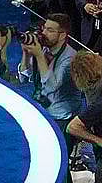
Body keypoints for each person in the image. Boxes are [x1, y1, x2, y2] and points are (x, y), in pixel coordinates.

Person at [22, 14, 84, 183]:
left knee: (58, 162)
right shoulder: (44, 49)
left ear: (62, 34)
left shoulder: (71, 58)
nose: (44, 33)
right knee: (47, 160)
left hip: (63, 118)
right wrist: (26, 54)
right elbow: (24, 76)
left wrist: (39, 57)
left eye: (50, 30)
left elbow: (51, 85)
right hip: (45, 112)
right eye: (44, 28)